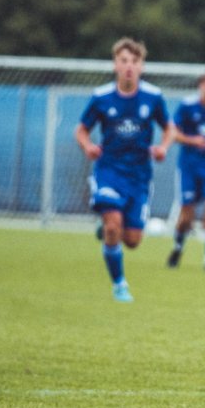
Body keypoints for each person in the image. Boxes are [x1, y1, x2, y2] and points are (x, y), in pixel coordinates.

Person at [74, 38, 173, 302]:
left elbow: (169, 128)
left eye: (134, 61)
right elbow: (81, 129)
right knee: (114, 226)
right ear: (115, 64)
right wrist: (87, 146)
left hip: (139, 176)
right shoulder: (102, 97)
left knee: (132, 240)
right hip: (109, 171)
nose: (129, 66)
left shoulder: (153, 97)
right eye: (123, 61)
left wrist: (163, 146)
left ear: (141, 66)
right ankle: (119, 284)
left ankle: (106, 226)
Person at [167, 67, 205, 271]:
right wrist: (192, 140)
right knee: (187, 216)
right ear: (200, 86)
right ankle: (178, 246)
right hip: (188, 168)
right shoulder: (187, 106)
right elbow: (173, 134)